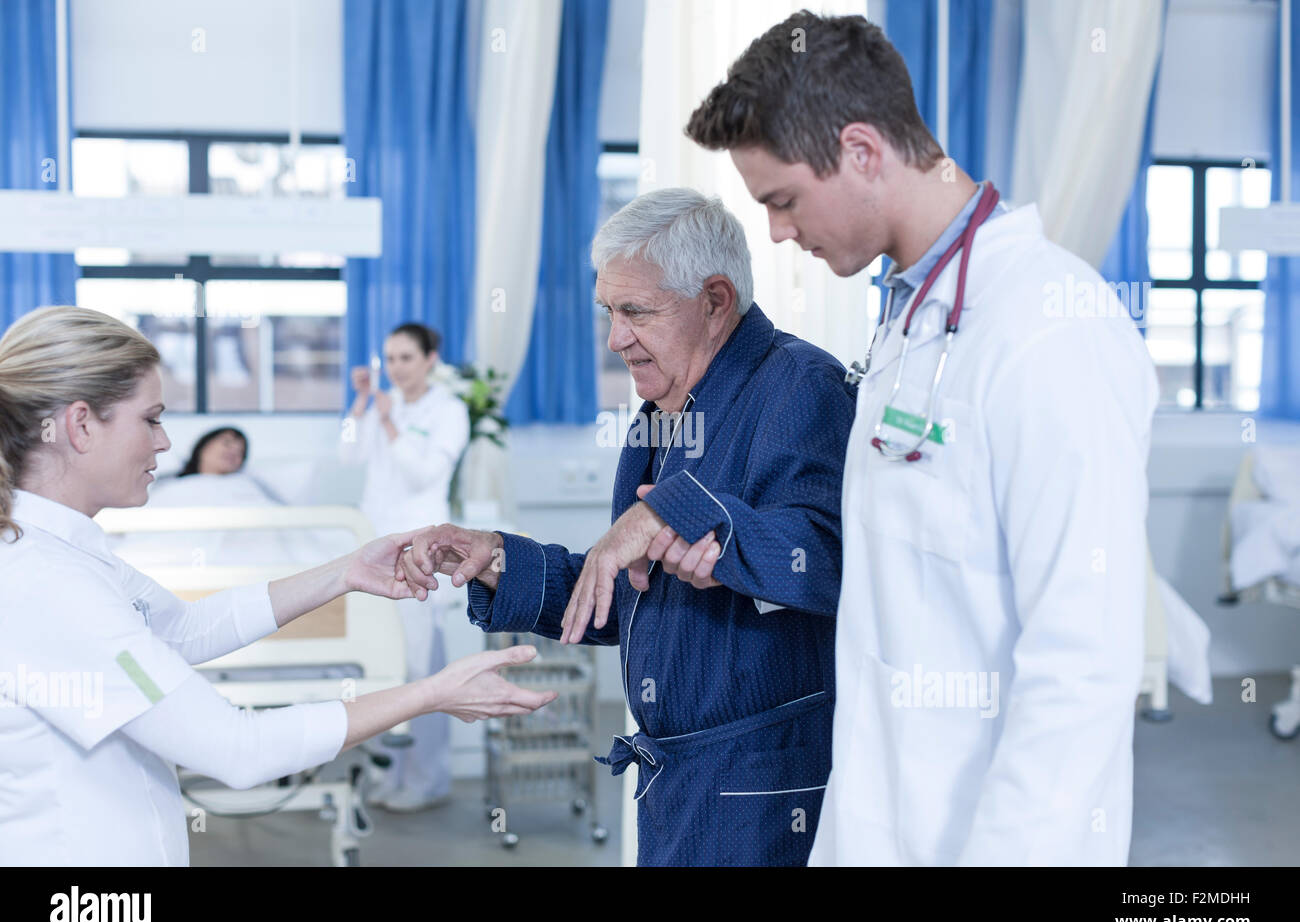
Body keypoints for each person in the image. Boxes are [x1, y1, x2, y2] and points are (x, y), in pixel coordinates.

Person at [685, 11, 1159, 865]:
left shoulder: (1052, 327)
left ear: (863, 151)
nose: (780, 235)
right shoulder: (912, 322)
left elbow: (1083, 664)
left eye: (784, 201)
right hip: (876, 825)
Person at [398, 188, 856, 866]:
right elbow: (625, 591)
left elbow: (830, 559)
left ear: (716, 299)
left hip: (763, 784)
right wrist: (498, 559)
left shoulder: (802, 385)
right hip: (674, 778)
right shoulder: (663, 408)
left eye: (636, 311)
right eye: (609, 313)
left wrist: (701, 522)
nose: (615, 339)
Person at [0, 306, 554, 866]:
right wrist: (431, 694)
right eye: (151, 419)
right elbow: (238, 750)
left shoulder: (65, 549)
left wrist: (345, 571)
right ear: (79, 424)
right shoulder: (48, 583)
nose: (165, 442)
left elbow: (185, 629)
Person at [341, 323, 469, 812]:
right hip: (374, 548)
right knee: (382, 667)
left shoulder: (450, 411)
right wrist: (361, 405)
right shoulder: (380, 404)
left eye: (406, 358)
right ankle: (389, 775)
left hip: (422, 551)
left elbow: (423, 473)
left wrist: (391, 422)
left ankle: (428, 777)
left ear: (430, 358)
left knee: (420, 669)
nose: (396, 368)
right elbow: (348, 453)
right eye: (390, 359)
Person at [177, 426, 248, 477]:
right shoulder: (171, 485)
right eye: (227, 444)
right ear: (203, 447)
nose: (234, 452)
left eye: (240, 451)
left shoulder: (249, 488)